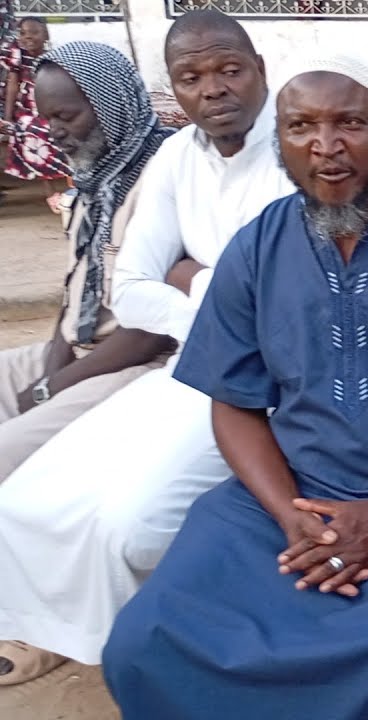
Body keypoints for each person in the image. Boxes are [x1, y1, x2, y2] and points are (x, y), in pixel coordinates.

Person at [102, 55, 368, 720]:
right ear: (280, 139)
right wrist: (286, 512)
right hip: (279, 503)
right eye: (300, 126)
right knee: (142, 643)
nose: (325, 147)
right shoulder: (257, 246)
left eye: (349, 122)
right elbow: (235, 404)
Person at [0, 10, 293, 673]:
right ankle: (53, 633)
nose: (212, 89)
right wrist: (215, 300)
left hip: (268, 382)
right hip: (196, 360)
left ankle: (140, 651)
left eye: (228, 70)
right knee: (29, 496)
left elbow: (289, 299)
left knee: (128, 521)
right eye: (190, 77)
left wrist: (192, 279)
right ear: (175, 88)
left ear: (260, 73)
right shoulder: (175, 159)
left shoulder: (295, 148)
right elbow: (130, 286)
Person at [0, 40, 175, 685]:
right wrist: (49, 353)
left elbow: (148, 328)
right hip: (75, 350)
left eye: (69, 115)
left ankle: (33, 626)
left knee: (10, 454)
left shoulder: (160, 180)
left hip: (131, 362)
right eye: (47, 116)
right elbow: (75, 283)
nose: (55, 130)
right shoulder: (92, 177)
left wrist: (54, 387)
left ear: (110, 103)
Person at [1, 16, 70, 212]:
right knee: (33, 137)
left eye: (34, 32)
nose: (27, 37)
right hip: (26, 109)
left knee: (69, 136)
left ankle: (73, 188)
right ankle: (51, 194)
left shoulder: (54, 57)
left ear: (46, 35)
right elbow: (12, 85)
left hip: (51, 106)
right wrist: (7, 118)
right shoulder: (18, 56)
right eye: (23, 33)